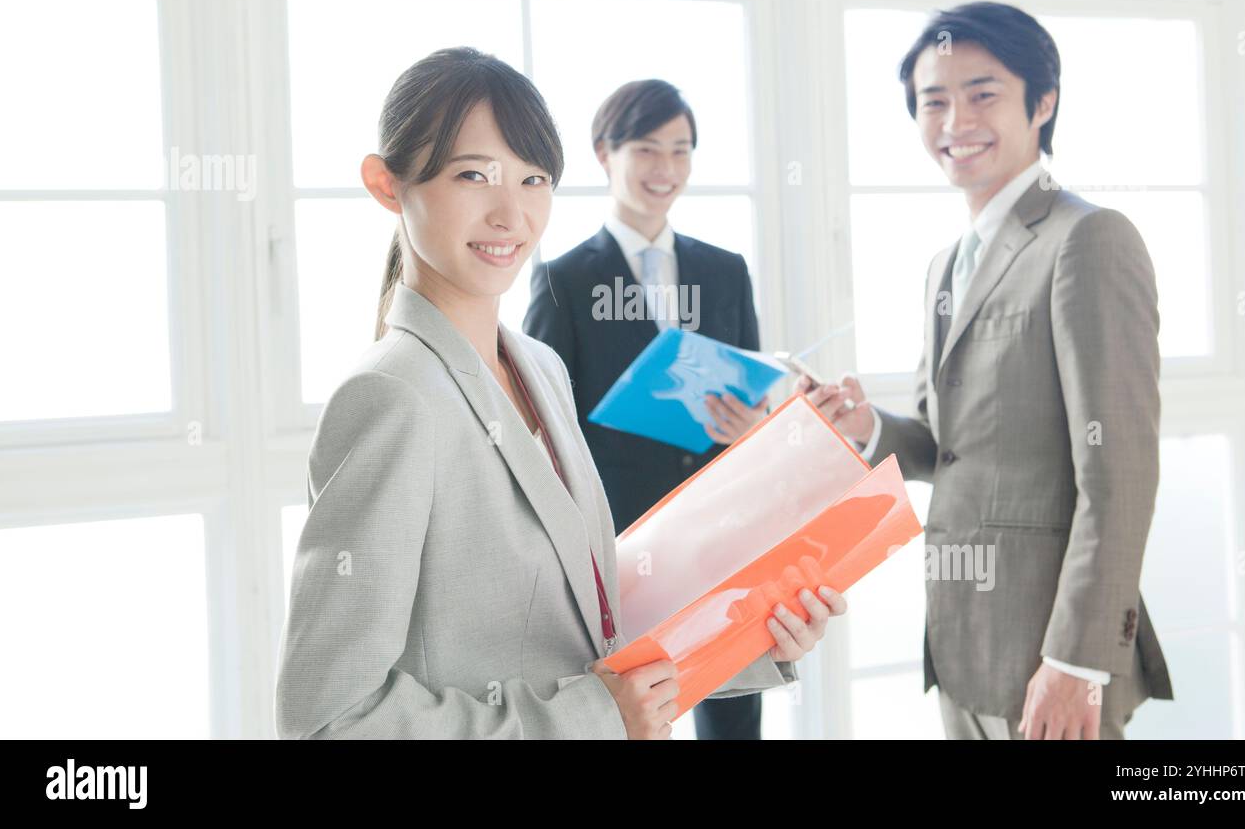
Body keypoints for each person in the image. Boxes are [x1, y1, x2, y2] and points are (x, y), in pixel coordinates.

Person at [274, 47, 847, 739]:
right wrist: (591, 716)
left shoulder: (540, 367)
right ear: (387, 184)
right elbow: (327, 718)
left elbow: (589, 626)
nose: (510, 213)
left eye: (533, 178)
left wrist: (756, 629)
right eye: (473, 175)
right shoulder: (391, 396)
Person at [804, 2, 1173, 739]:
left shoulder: (1088, 239)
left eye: (982, 93)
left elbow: (1119, 473)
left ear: (1043, 103)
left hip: (1050, 653)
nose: (953, 120)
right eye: (932, 101)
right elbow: (946, 446)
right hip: (963, 645)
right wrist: (868, 427)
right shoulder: (947, 265)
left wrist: (1077, 662)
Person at [524, 79, 772, 739]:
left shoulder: (726, 271)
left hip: (722, 535)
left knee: (733, 716)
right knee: (629, 714)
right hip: (621, 546)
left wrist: (754, 427)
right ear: (604, 153)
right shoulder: (563, 280)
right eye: (647, 149)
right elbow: (542, 426)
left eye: (681, 150)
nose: (667, 169)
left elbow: (754, 399)